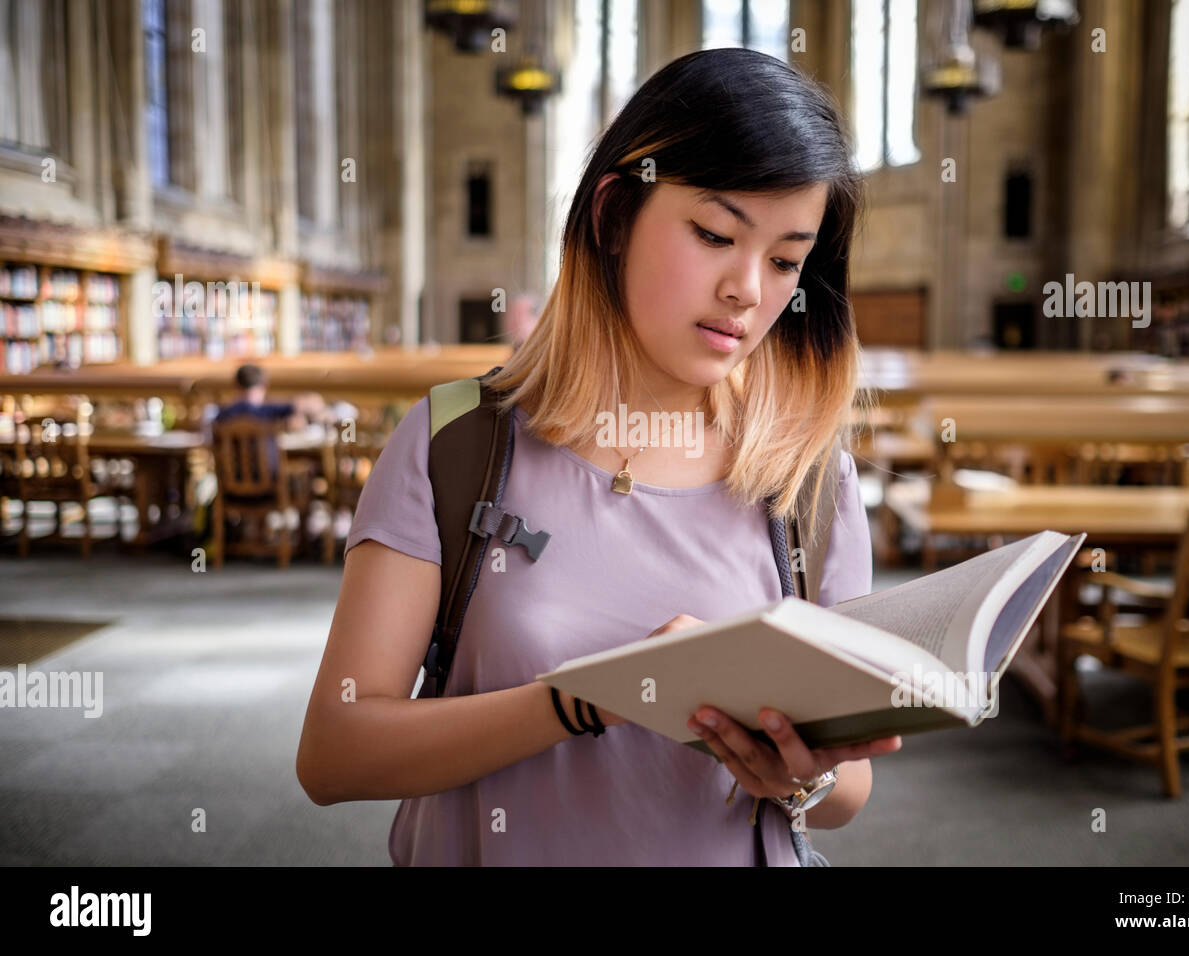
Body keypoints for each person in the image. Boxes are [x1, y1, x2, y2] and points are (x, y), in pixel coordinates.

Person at [296, 48, 900, 866]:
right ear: (615, 215)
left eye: (786, 260)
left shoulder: (809, 474)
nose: (749, 291)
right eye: (716, 234)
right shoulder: (457, 441)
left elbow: (849, 793)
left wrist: (795, 774)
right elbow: (334, 755)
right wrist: (584, 701)